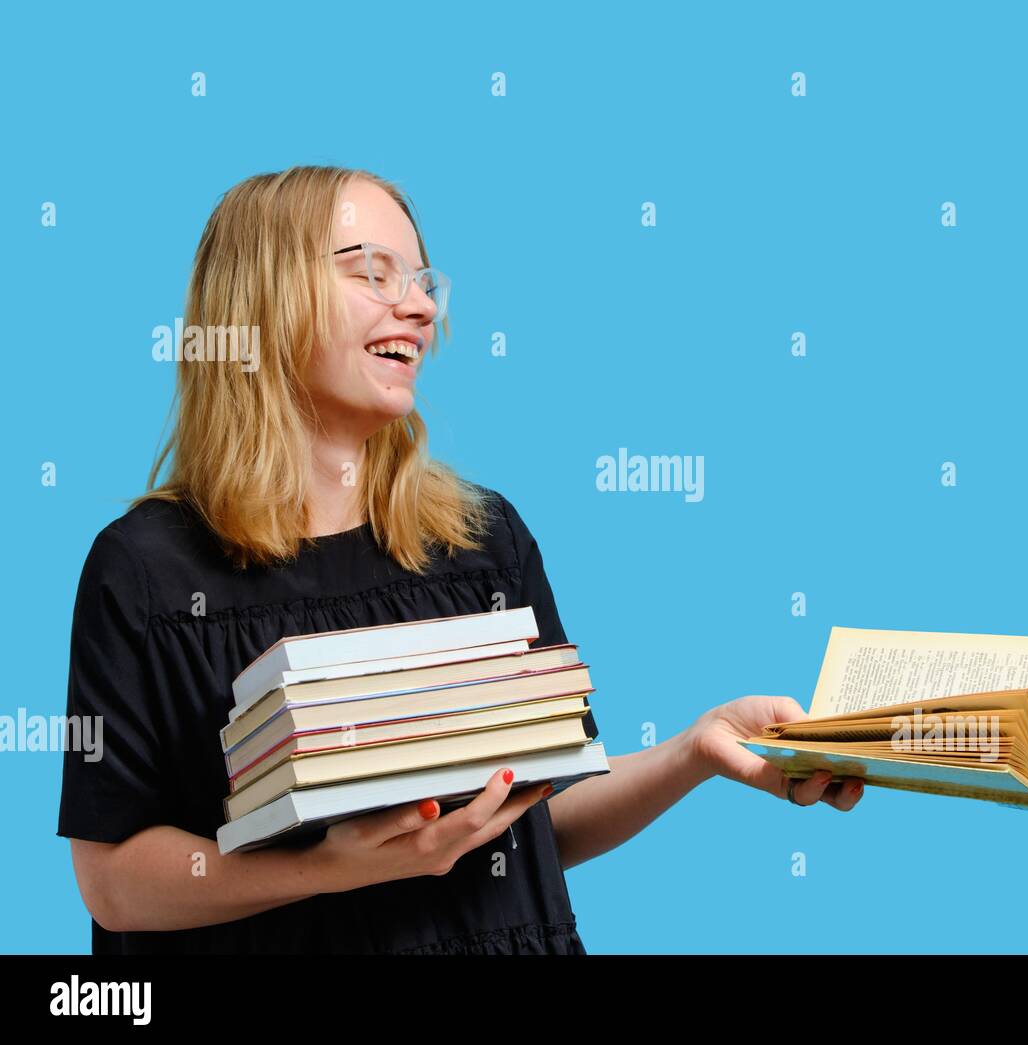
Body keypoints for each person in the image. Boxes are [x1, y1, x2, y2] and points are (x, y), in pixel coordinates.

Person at [55, 165, 865, 955]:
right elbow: (115, 882)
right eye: (373, 272)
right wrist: (322, 869)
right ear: (263, 301)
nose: (416, 307)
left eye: (421, 281)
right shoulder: (145, 571)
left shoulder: (483, 541)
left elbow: (541, 813)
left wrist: (694, 749)